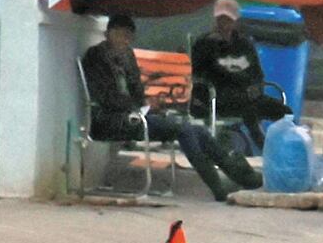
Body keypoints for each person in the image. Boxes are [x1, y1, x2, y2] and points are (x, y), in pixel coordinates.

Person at [81, 13, 258, 202]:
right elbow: (105, 97)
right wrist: (135, 107)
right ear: (108, 34)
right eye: (121, 35)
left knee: (197, 129)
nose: (125, 41)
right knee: (184, 130)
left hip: (134, 115)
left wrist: (146, 105)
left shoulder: (127, 55)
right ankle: (217, 185)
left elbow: (136, 91)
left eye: (129, 36)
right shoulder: (96, 56)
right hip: (111, 119)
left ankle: (237, 175)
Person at [188, 0, 290, 140]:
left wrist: (256, 88)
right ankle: (262, 144)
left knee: (284, 111)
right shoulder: (204, 44)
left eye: (228, 20)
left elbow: (257, 73)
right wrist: (213, 46)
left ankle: (283, 143)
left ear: (236, 21)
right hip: (216, 97)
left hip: (247, 96)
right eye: (220, 20)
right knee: (249, 109)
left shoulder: (244, 44)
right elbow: (201, 73)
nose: (223, 25)